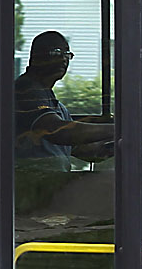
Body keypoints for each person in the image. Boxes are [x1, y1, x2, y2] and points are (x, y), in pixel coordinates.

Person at [14, 31, 114, 168]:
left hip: (49, 183)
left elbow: (78, 148)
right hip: (31, 184)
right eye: (56, 52)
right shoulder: (26, 89)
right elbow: (58, 131)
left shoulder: (57, 106)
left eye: (67, 54)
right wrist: (116, 129)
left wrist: (110, 146)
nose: (63, 59)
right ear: (35, 57)